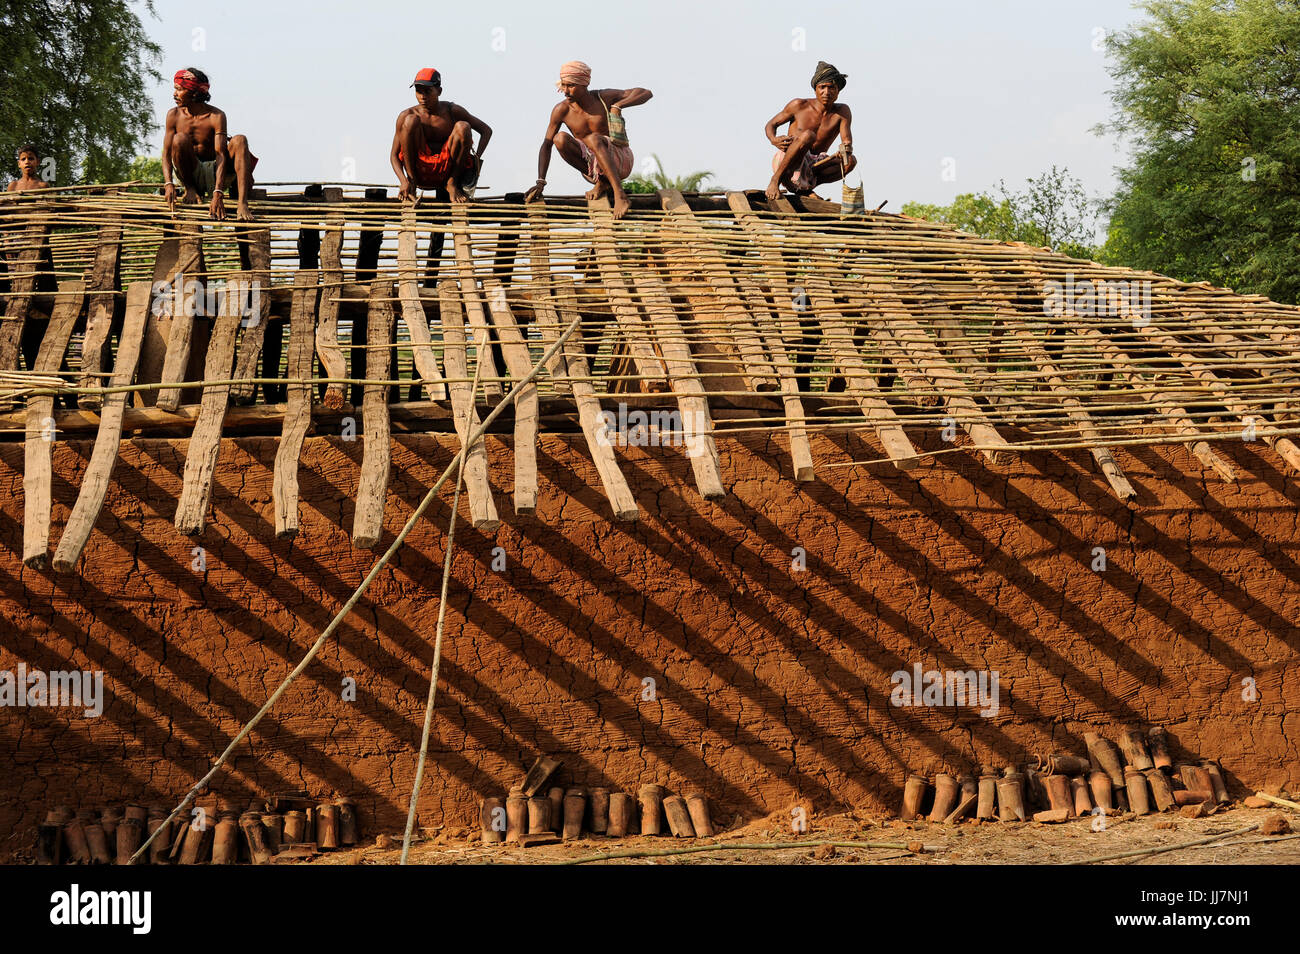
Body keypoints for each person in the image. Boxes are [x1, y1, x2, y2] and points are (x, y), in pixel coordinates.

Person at [522, 61, 651, 219]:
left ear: (584, 85)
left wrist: (618, 105)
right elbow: (546, 145)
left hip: (620, 159)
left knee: (594, 139)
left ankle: (620, 195)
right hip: (592, 169)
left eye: (571, 86)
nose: (566, 91)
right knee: (559, 138)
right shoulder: (561, 110)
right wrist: (540, 181)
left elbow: (646, 93)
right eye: (564, 85)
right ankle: (602, 182)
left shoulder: (603, 97)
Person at [162, 68, 259, 221]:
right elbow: (166, 154)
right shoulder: (173, 115)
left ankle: (242, 203)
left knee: (240, 140)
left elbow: (220, 155)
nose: (175, 94)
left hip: (217, 174)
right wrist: (168, 183)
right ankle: (191, 189)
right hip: (190, 174)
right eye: (175, 89)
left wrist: (218, 192)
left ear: (194, 93)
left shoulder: (216, 116)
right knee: (179, 139)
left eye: (179, 89)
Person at [390, 68, 492, 203]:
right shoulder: (406, 115)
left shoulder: (451, 111)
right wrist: (403, 181)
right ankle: (412, 182)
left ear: (439, 91)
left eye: (427, 91)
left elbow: (486, 131)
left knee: (463, 126)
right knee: (410, 121)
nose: (422, 96)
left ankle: (452, 183)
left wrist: (475, 163)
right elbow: (394, 155)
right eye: (419, 91)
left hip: (447, 173)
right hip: (419, 173)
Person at [764, 61, 856, 201]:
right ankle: (775, 181)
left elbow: (846, 140)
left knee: (850, 161)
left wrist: (846, 149)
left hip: (814, 166)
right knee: (808, 136)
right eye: (822, 87)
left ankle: (806, 188)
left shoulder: (842, 111)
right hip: (789, 163)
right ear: (815, 89)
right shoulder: (798, 105)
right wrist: (774, 140)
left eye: (831, 87)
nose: (827, 92)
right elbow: (771, 124)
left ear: (838, 91)